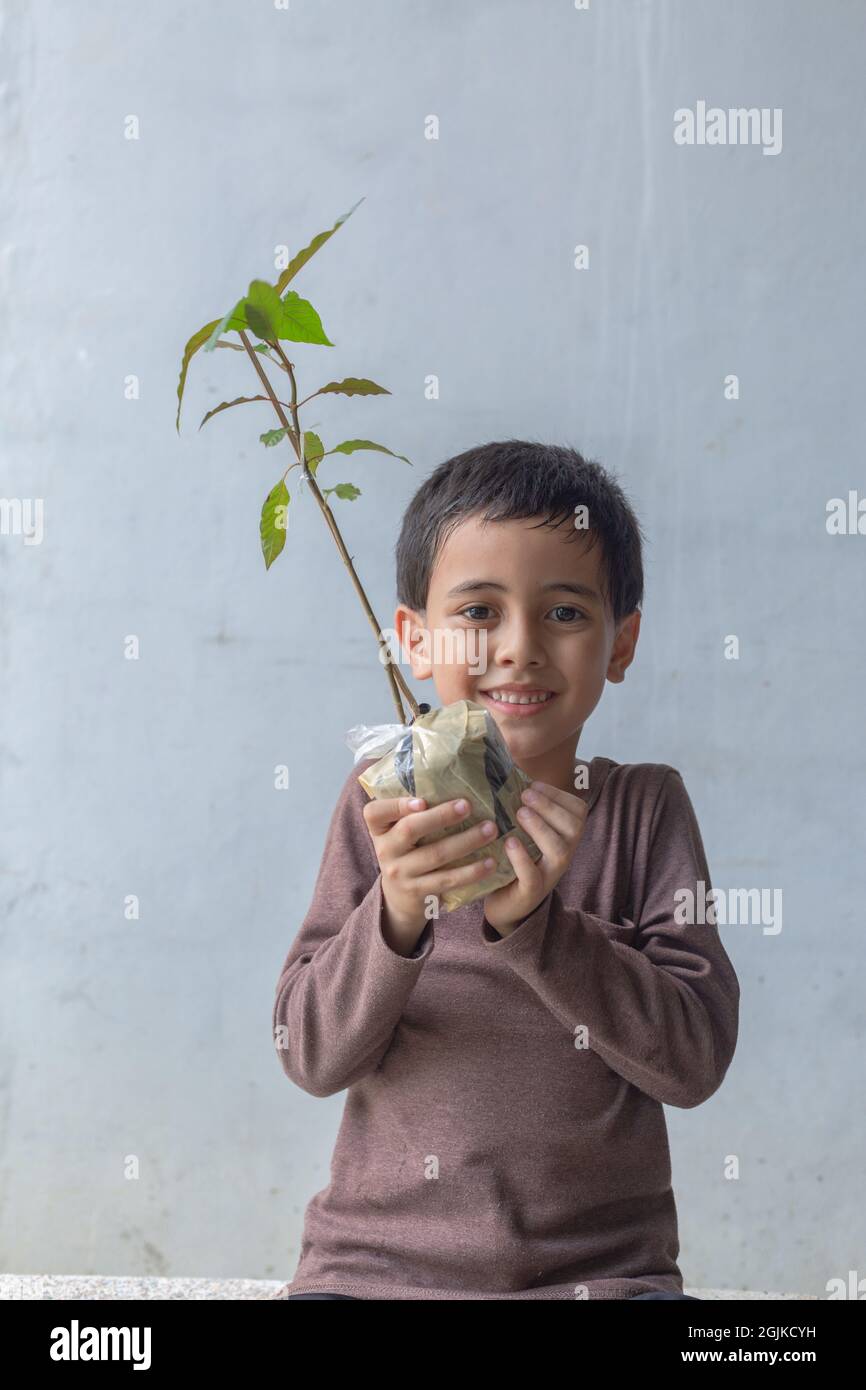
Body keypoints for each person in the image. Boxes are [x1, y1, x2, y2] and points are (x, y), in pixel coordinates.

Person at [271, 440, 740, 1301]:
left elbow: (694, 1060)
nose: (519, 648)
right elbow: (307, 1052)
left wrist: (544, 933)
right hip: (373, 1273)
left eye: (564, 614)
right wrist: (397, 911)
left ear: (621, 641)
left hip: (601, 1277)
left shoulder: (643, 810)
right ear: (413, 640)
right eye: (478, 612)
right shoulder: (384, 810)